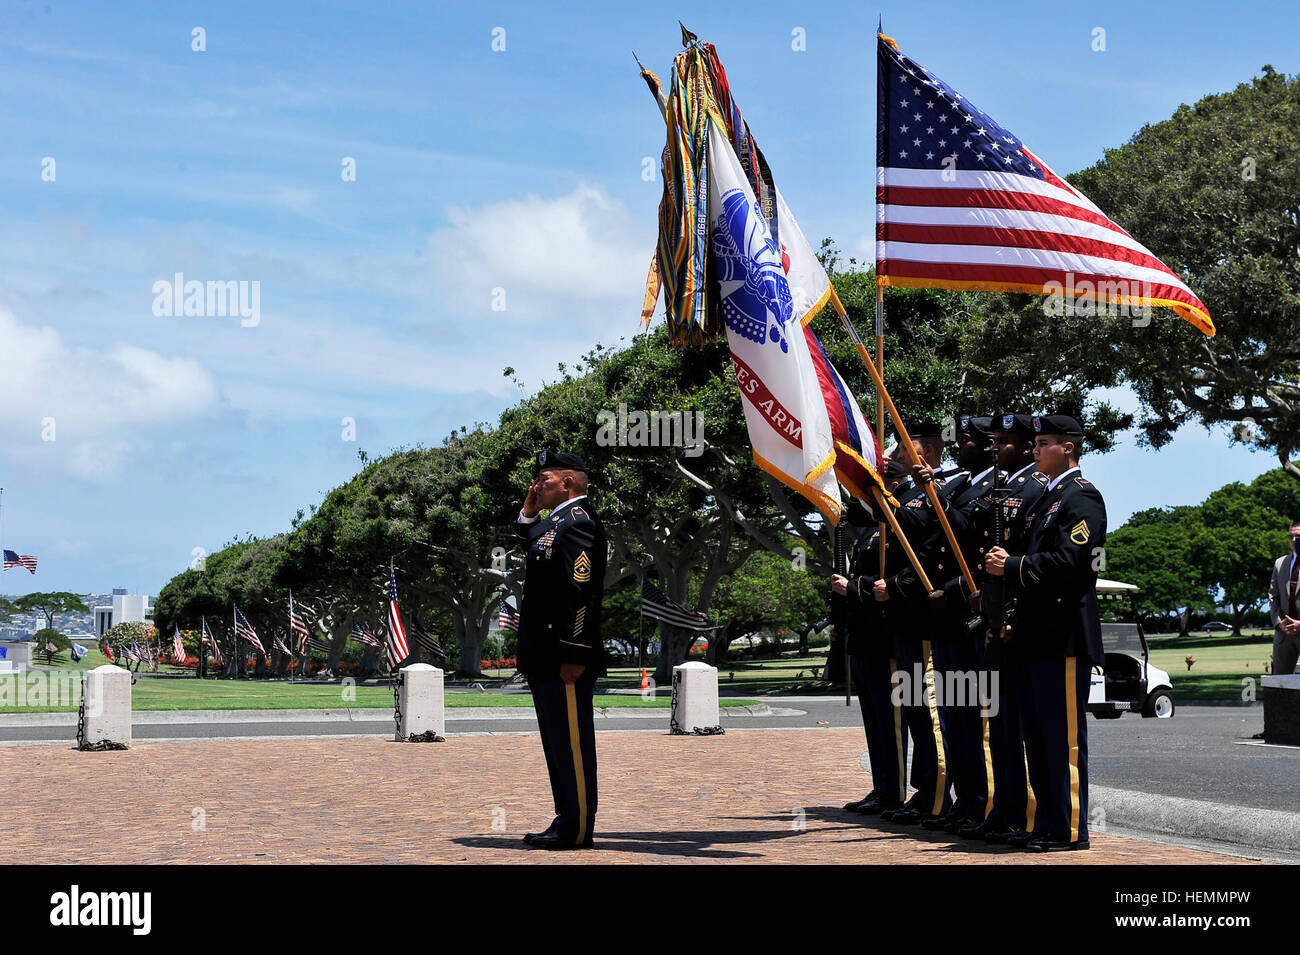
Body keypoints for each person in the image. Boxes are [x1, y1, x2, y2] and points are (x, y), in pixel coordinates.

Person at [986, 415, 1106, 852]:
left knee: (1062, 739)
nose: (1034, 451)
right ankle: (1046, 823)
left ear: (1068, 448)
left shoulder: (1082, 497)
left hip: (1063, 637)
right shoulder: (1048, 498)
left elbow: (1076, 565)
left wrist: (1014, 565)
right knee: (1036, 738)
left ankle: (1070, 828)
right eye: (1034, 444)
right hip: (1035, 635)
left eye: (1043, 444)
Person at [513, 451, 607, 850]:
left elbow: (580, 592)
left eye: (544, 479)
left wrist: (575, 652)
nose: (537, 485)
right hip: (544, 653)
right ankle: (566, 818)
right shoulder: (557, 524)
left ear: (568, 481)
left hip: (564, 655)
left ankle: (578, 826)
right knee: (556, 742)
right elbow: (538, 554)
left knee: (571, 742)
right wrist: (529, 514)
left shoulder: (580, 524)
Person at [960, 413, 1047, 845]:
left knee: (1014, 725)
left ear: (1028, 442)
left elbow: (1022, 557)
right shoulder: (998, 486)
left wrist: (1007, 615)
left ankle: (1021, 812)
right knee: (996, 722)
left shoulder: (1034, 488)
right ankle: (1004, 807)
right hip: (991, 616)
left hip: (1012, 620)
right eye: (993, 440)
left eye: (1005, 441)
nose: (997, 446)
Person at [833, 485, 908, 816]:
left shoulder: (891, 529)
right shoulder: (867, 532)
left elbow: (886, 582)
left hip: (884, 639)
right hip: (864, 638)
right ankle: (882, 787)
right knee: (875, 722)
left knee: (891, 724)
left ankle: (894, 791)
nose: (856, 501)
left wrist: (851, 588)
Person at [1267, 521, 1300, 675]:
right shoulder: (1280, 563)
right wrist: (1279, 623)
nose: (1293, 540)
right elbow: (1273, 596)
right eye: (1290, 536)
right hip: (1284, 635)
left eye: (1298, 536)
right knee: (1280, 686)